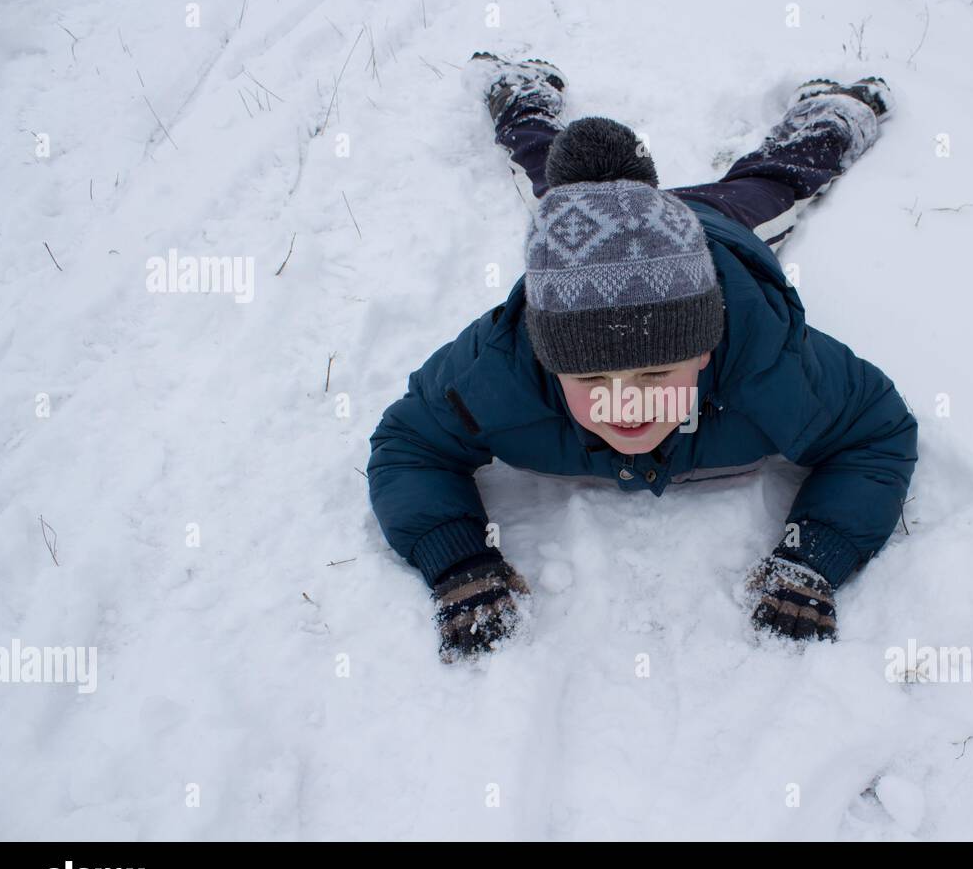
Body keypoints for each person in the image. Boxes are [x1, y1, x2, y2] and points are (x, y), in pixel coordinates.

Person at [368, 52, 918, 663]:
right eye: (592, 375)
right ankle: (522, 97)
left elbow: (877, 431)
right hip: (583, 243)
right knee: (551, 183)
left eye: (657, 371)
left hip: (715, 224)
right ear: (550, 362)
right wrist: (459, 558)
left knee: (776, 183)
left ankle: (834, 112)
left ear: (706, 352)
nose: (625, 400)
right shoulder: (502, 368)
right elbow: (409, 444)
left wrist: (813, 556)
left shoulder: (772, 366)